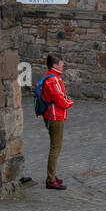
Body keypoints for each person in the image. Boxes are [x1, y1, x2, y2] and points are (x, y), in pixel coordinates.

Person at [40, 54, 74, 190]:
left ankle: (52, 175)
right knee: (55, 147)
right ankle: (50, 179)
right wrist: (70, 102)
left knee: (55, 146)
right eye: (61, 63)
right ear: (54, 65)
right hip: (55, 116)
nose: (63, 64)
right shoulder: (53, 80)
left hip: (52, 115)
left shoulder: (51, 77)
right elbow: (60, 99)